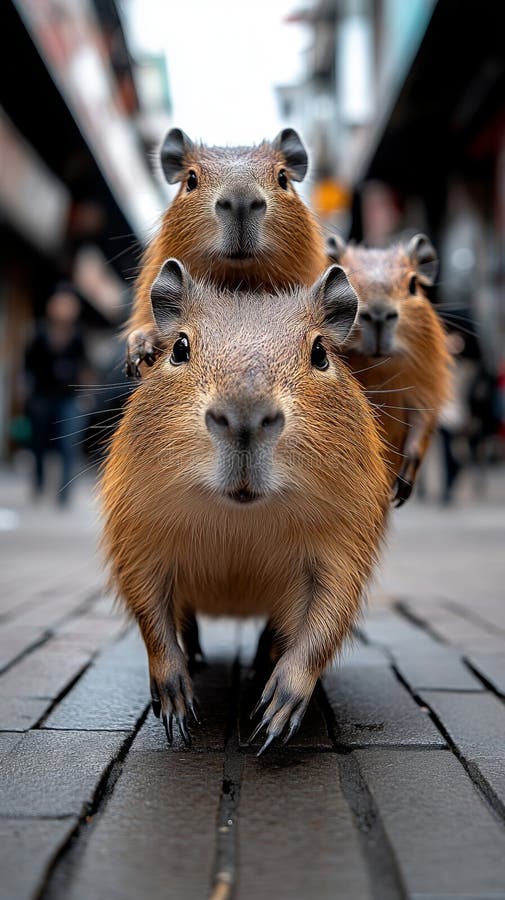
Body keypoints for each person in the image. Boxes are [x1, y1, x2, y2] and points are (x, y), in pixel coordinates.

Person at [24, 285, 88, 505]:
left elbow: (84, 365)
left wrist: (85, 394)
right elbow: (28, 366)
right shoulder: (40, 333)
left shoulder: (78, 334)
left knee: (68, 444)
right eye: (60, 305)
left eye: (68, 305)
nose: (64, 309)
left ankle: (65, 493)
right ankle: (39, 480)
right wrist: (28, 391)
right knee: (39, 443)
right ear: (51, 307)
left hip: (68, 398)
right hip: (42, 397)